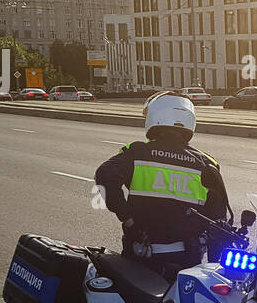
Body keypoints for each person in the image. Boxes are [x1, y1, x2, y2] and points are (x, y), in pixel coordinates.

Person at [94, 91, 230, 277]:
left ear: (154, 117)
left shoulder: (138, 152)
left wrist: (127, 219)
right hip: (187, 262)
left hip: (141, 255)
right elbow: (219, 219)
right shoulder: (206, 163)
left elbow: (104, 176)